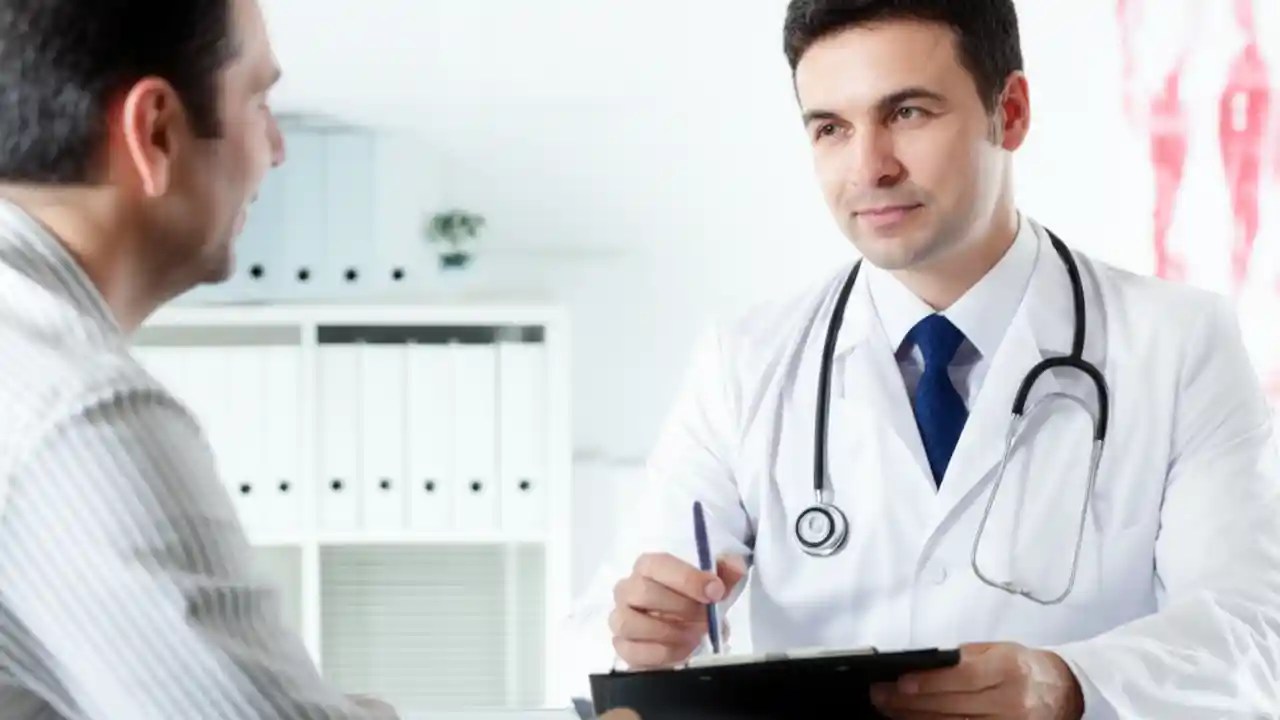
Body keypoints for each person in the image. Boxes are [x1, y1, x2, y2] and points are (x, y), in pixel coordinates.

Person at [563, 1, 1280, 717]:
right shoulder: (745, 362)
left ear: (1013, 111)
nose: (868, 168)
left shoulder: (1180, 344)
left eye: (908, 113)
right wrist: (647, 635)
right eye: (832, 129)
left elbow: (1251, 638)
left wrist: (1068, 683)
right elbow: (596, 635)